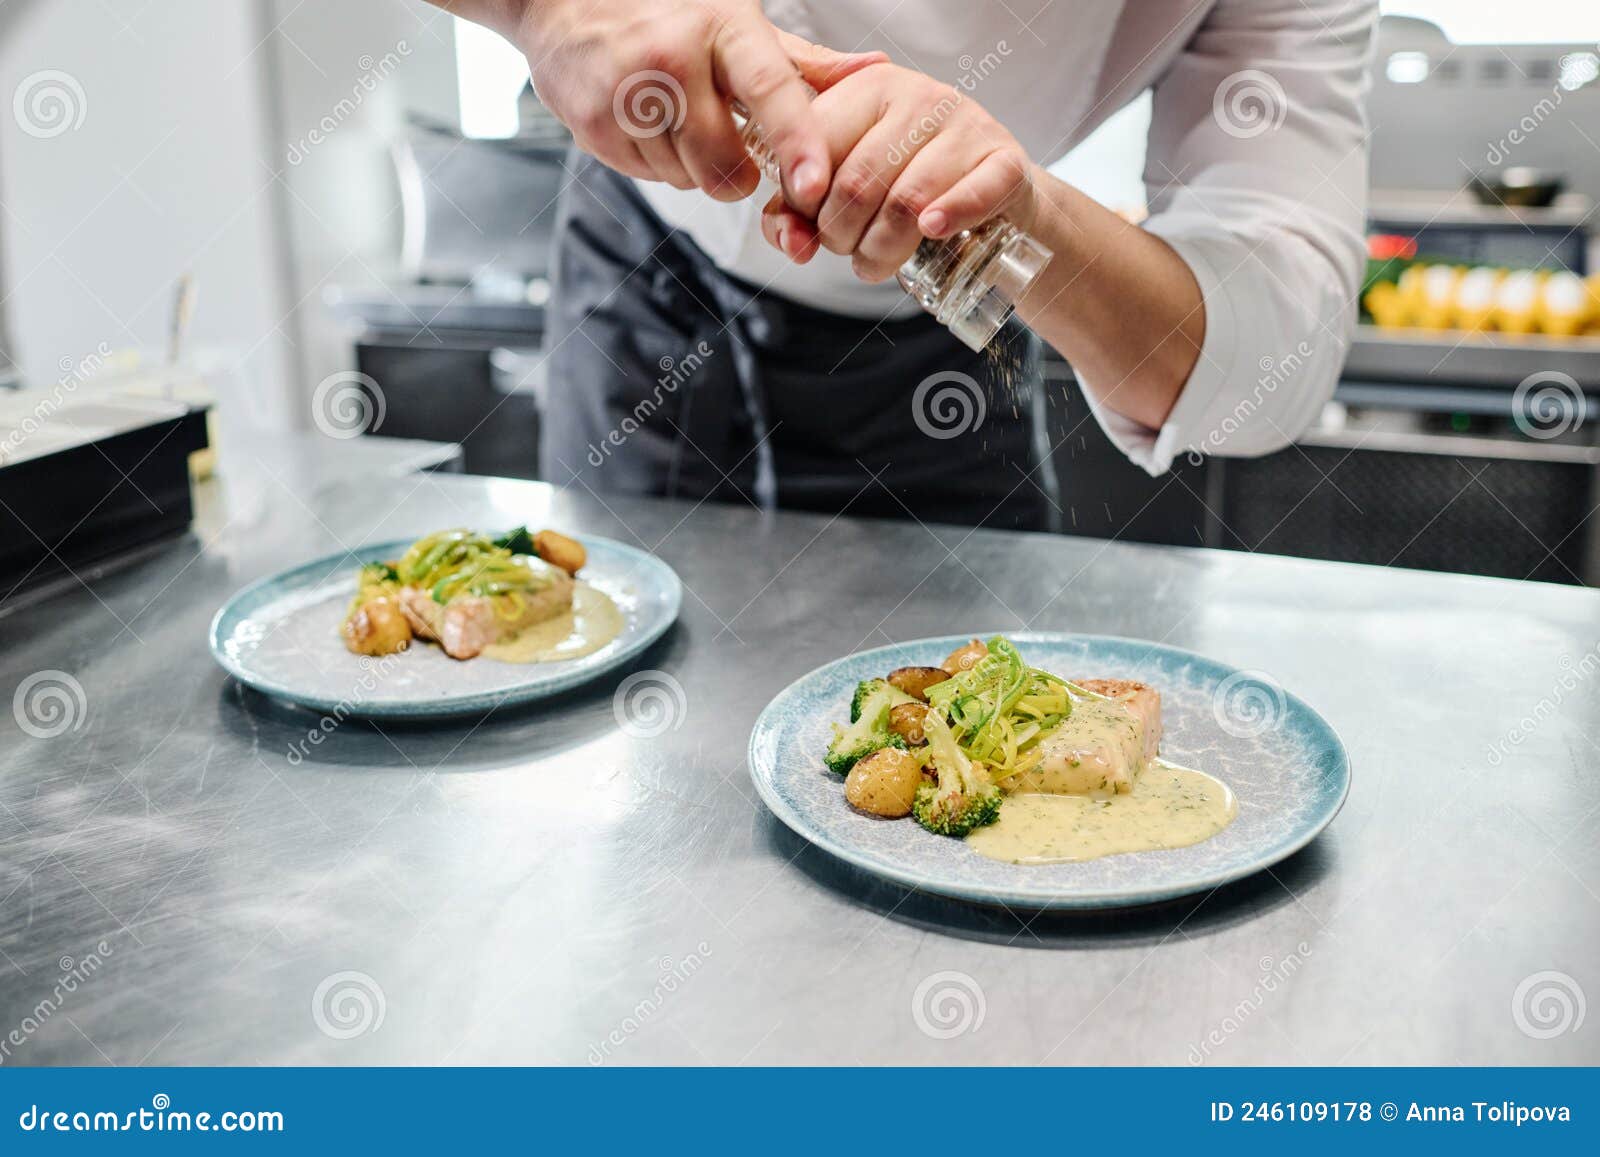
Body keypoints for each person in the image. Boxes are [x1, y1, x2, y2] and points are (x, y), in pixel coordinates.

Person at [434, 0, 1375, 531]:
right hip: (645, 274)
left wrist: (1019, 212)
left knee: (969, 762)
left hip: (947, 333)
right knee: (622, 715)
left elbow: (1279, 340)